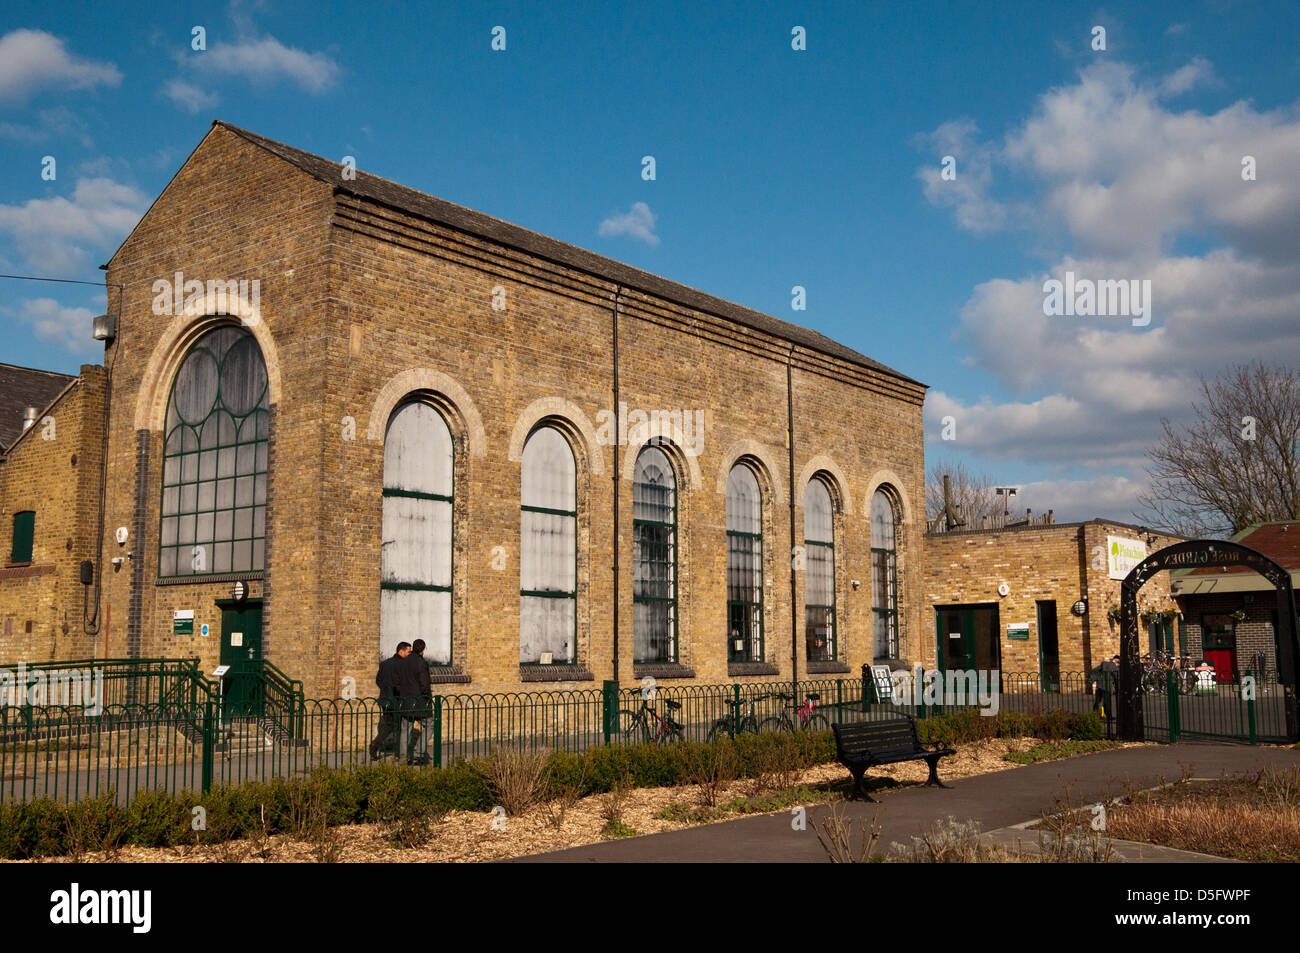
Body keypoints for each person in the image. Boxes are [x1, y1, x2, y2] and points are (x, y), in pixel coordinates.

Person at [369, 642, 410, 760]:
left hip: (385, 700)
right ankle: (399, 753)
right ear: (401, 651)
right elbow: (401, 684)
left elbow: (378, 680)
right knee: (398, 726)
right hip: (396, 700)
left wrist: (385, 691)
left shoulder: (385, 663)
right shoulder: (402, 664)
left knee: (389, 725)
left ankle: (375, 745)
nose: (409, 654)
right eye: (408, 651)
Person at [401, 638, 434, 765]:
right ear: (423, 649)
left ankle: (403, 757)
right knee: (430, 725)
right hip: (419, 702)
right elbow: (424, 684)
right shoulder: (421, 663)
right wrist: (428, 698)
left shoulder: (404, 662)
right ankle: (418, 753)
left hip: (405, 701)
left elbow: (399, 681)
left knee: (405, 729)